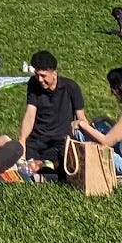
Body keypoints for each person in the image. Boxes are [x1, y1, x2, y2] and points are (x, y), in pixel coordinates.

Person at [15, 51, 83, 181]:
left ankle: (44, 171)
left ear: (54, 73)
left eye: (43, 76)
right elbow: (30, 114)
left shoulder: (71, 88)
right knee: (15, 155)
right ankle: (41, 170)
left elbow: (81, 118)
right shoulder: (33, 84)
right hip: (36, 140)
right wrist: (22, 140)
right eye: (37, 75)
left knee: (61, 160)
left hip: (59, 142)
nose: (40, 80)